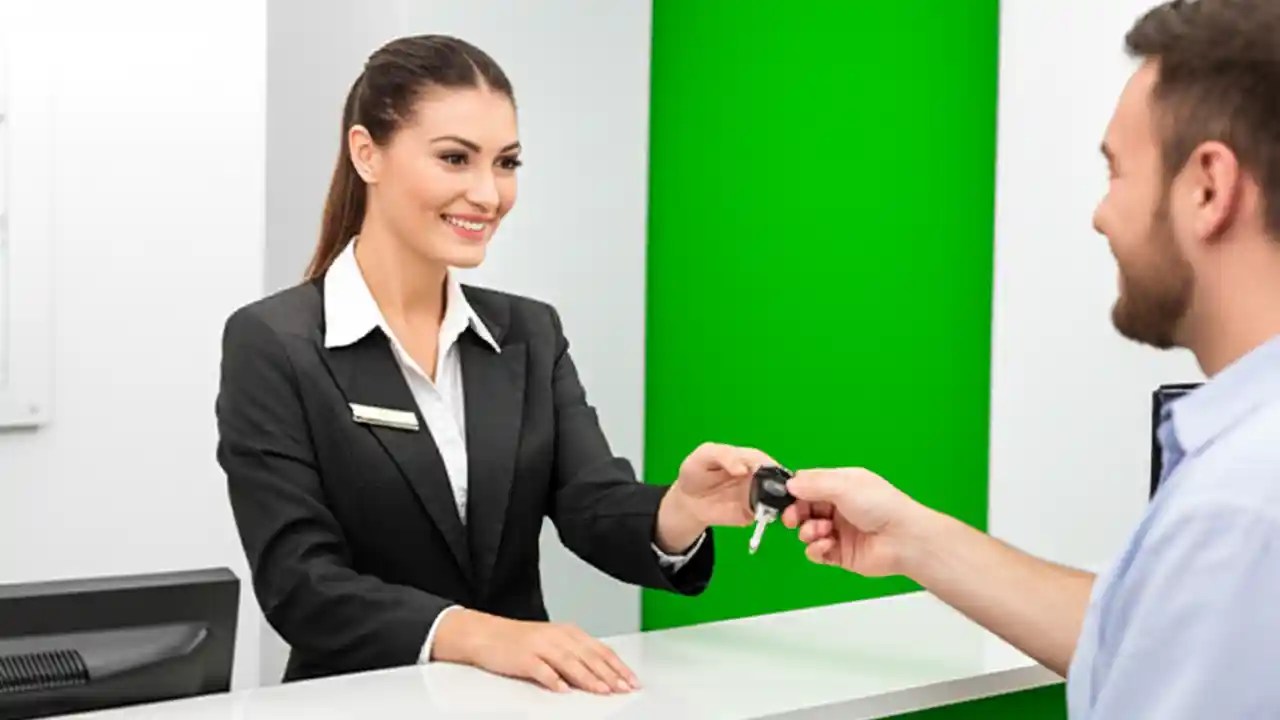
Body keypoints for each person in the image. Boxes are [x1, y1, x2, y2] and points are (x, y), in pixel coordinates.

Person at [216, 35, 771, 693]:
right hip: (359, 702)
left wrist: (683, 509)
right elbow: (300, 582)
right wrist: (483, 635)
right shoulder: (275, 342)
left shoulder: (529, 331)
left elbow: (591, 503)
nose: (489, 193)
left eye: (506, 163)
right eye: (455, 159)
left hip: (516, 703)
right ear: (367, 153)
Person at [783, 0, 1280, 717]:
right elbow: (1147, 643)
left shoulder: (1240, 510)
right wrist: (913, 539)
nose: (1100, 214)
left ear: (1209, 187)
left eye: (1117, 172)